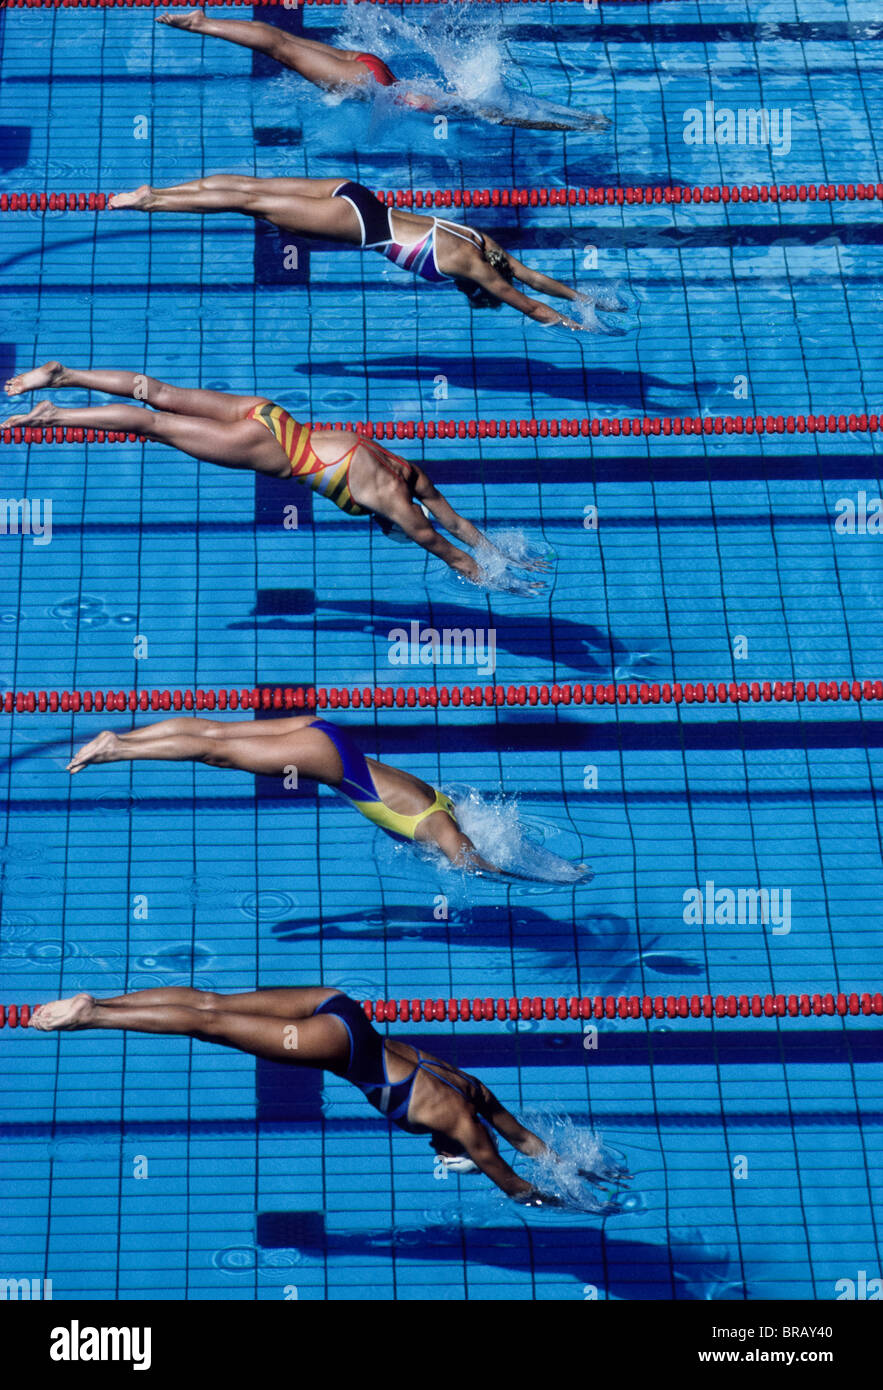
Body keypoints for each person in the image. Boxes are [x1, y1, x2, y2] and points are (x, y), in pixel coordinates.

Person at [28, 984, 630, 1206]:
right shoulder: (466, 1126)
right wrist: (582, 1205)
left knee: (212, 1004)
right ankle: (93, 1018)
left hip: (342, 1010)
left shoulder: (474, 1090)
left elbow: (525, 1137)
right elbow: (516, 1182)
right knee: (207, 1025)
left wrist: (579, 1164)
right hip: (332, 1044)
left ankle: (101, 1000)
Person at [3, 361, 534, 588]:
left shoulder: (408, 473)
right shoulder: (397, 504)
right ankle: (56, 413)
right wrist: (503, 583)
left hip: (271, 415)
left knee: (157, 391)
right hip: (269, 449)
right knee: (154, 425)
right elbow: (451, 549)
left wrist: (503, 552)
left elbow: (460, 524)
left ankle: (65, 373)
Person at [65, 714, 592, 883]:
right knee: (216, 752)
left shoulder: (446, 804)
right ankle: (118, 750)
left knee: (218, 733)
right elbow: (474, 863)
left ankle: (125, 739)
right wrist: (538, 881)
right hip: (329, 759)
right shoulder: (443, 829)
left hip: (328, 736)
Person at [107, 174, 623, 329]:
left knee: (252, 186)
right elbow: (529, 303)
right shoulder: (470, 267)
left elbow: (532, 278)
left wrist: (584, 296)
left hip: (357, 194)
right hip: (359, 223)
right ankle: (152, 202)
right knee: (249, 205)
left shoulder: (484, 246)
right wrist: (579, 328)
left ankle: (158, 191)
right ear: (477, 286)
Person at [156, 10, 610, 133]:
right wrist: (563, 125)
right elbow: (509, 117)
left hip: (369, 69)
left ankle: (204, 22)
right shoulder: (445, 105)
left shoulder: (439, 98)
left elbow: (509, 115)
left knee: (283, 42)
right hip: (365, 78)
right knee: (280, 47)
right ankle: (201, 24)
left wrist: (573, 121)